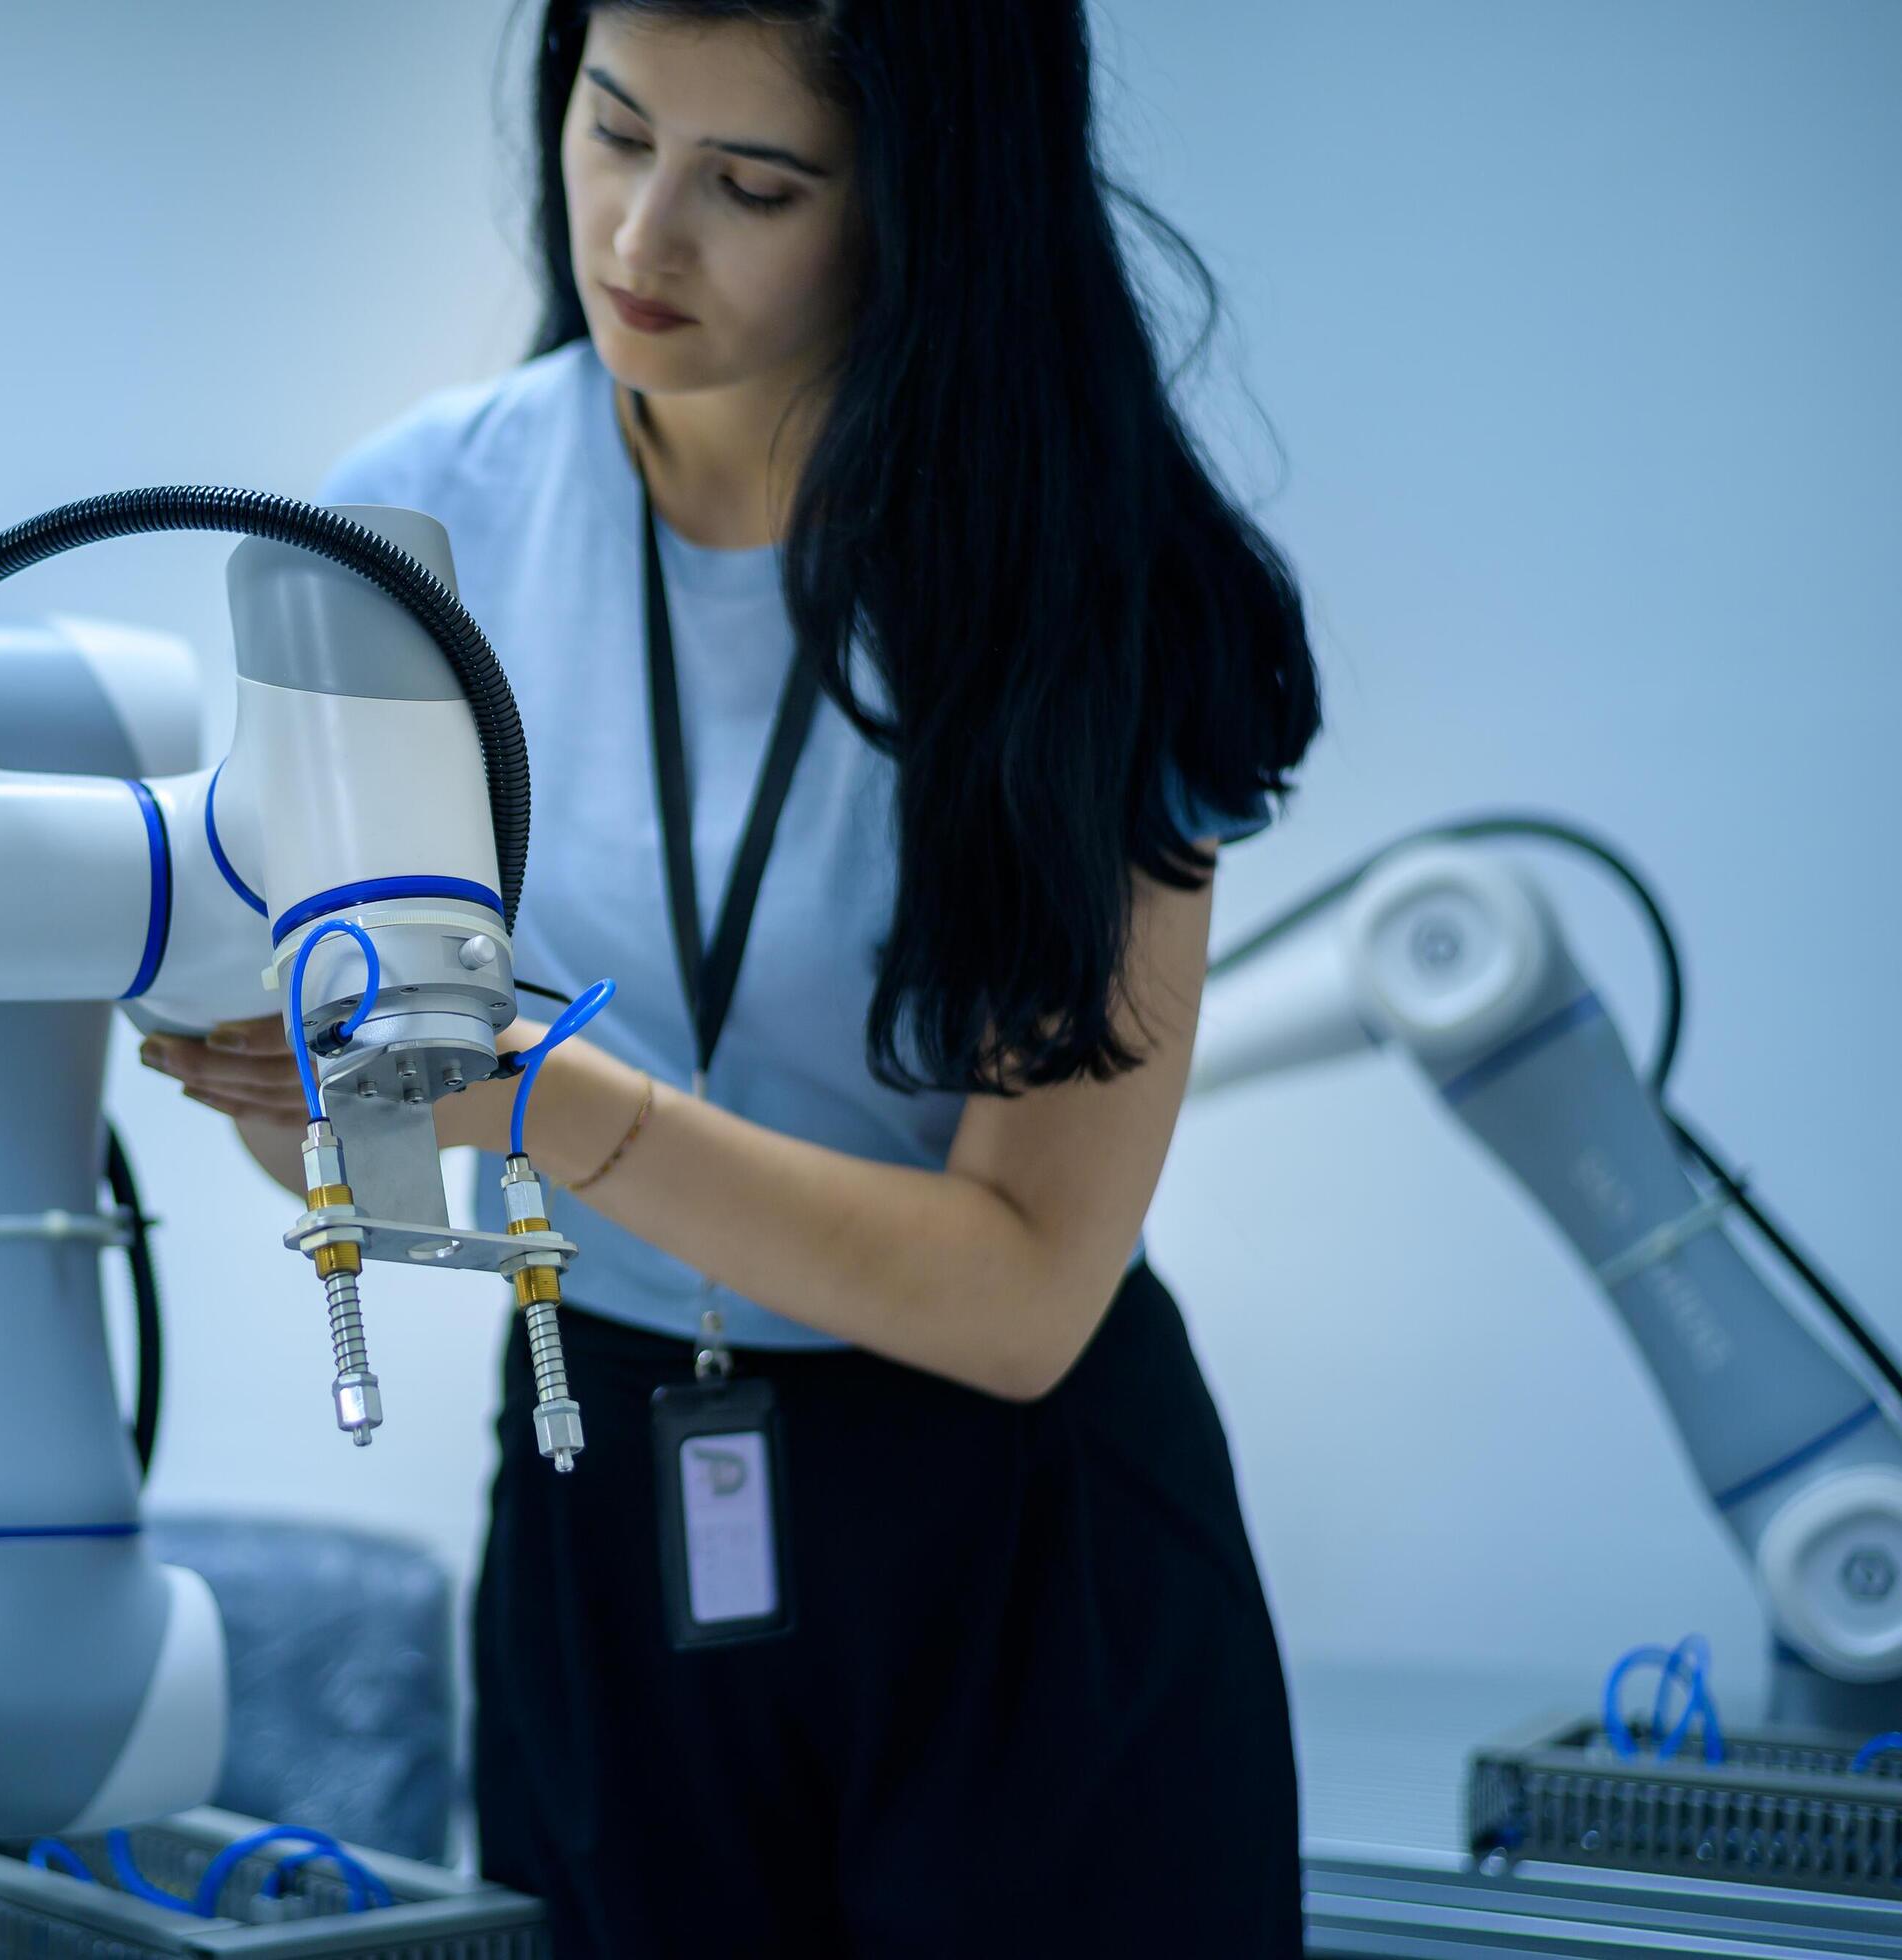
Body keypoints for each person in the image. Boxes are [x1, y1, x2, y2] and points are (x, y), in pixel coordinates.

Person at [143, 2, 1323, 1950]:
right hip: (602, 1497)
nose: (636, 239)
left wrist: (542, 1093)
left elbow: (1026, 1289)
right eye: (611, 134)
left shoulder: (1100, 581)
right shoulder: (416, 532)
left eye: (750, 184)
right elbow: (391, 1171)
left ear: (929, 208)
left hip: (1016, 1533)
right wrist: (319, 1097)